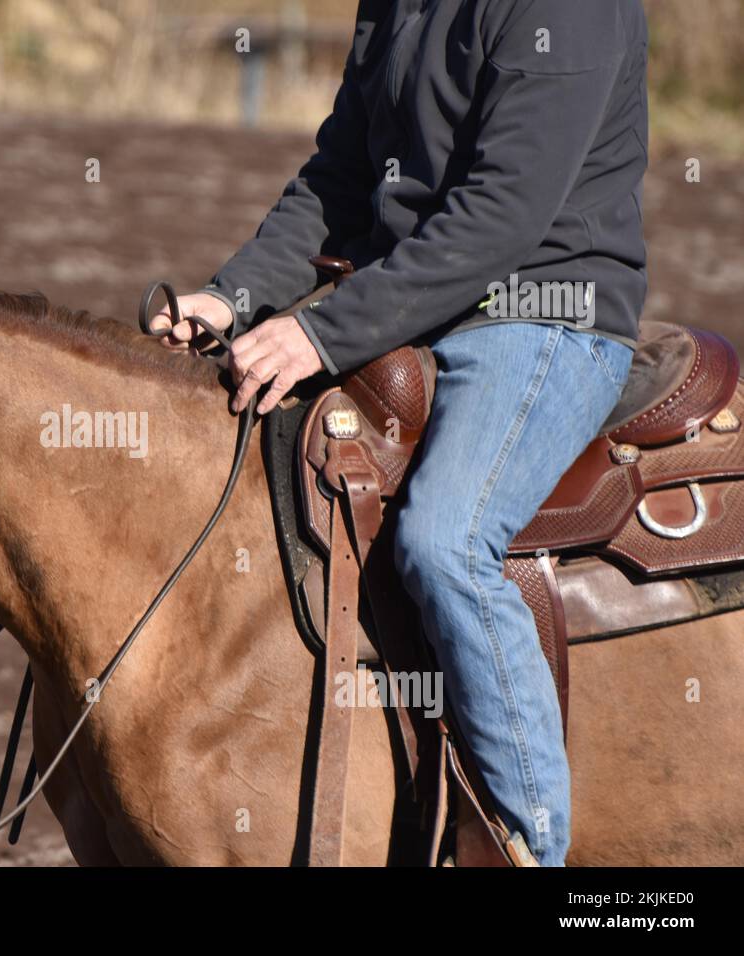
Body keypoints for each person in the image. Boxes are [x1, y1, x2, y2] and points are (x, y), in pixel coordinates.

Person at [149, 0, 649, 866]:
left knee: (445, 540)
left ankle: (526, 843)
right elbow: (337, 178)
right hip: (415, 307)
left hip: (543, 314)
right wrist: (230, 297)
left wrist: (320, 332)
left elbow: (502, 214)